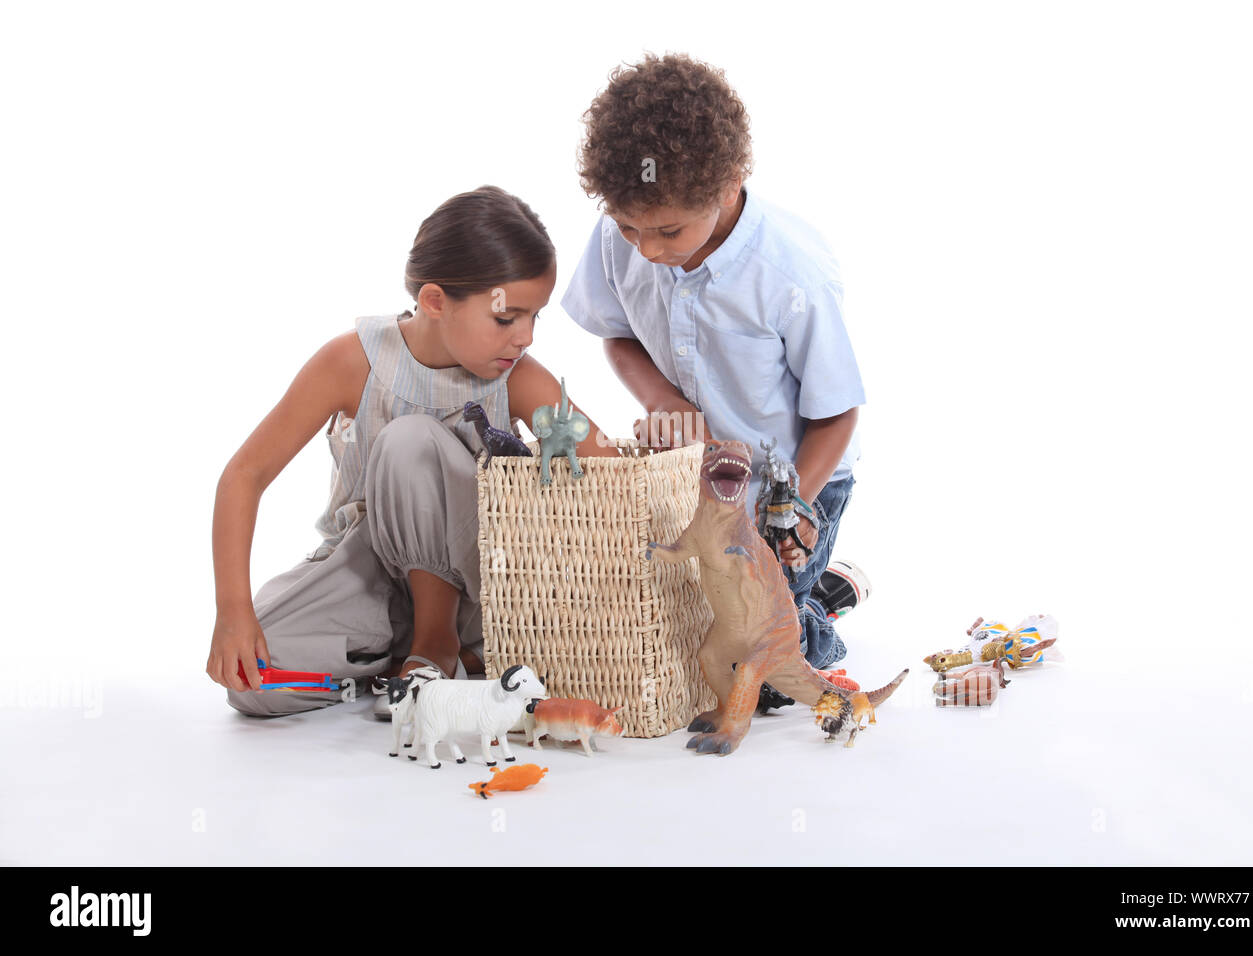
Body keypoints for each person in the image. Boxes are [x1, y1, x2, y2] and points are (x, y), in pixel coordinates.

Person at [209, 185, 617, 718]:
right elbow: (245, 473)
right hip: (373, 574)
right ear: (434, 301)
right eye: (506, 318)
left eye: (534, 317)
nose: (526, 338)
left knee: (409, 441)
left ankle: (438, 645)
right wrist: (233, 611)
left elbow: (610, 474)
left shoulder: (519, 379)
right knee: (251, 682)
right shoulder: (351, 361)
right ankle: (414, 669)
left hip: (478, 584)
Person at [561, 53, 870, 670]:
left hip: (797, 485)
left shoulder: (791, 275)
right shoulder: (626, 231)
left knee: (763, 665)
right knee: (679, 632)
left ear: (727, 188)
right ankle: (811, 592)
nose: (646, 251)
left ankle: (821, 603)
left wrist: (786, 515)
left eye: (668, 233)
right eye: (627, 228)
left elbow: (837, 414)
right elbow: (616, 334)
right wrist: (662, 400)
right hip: (697, 481)